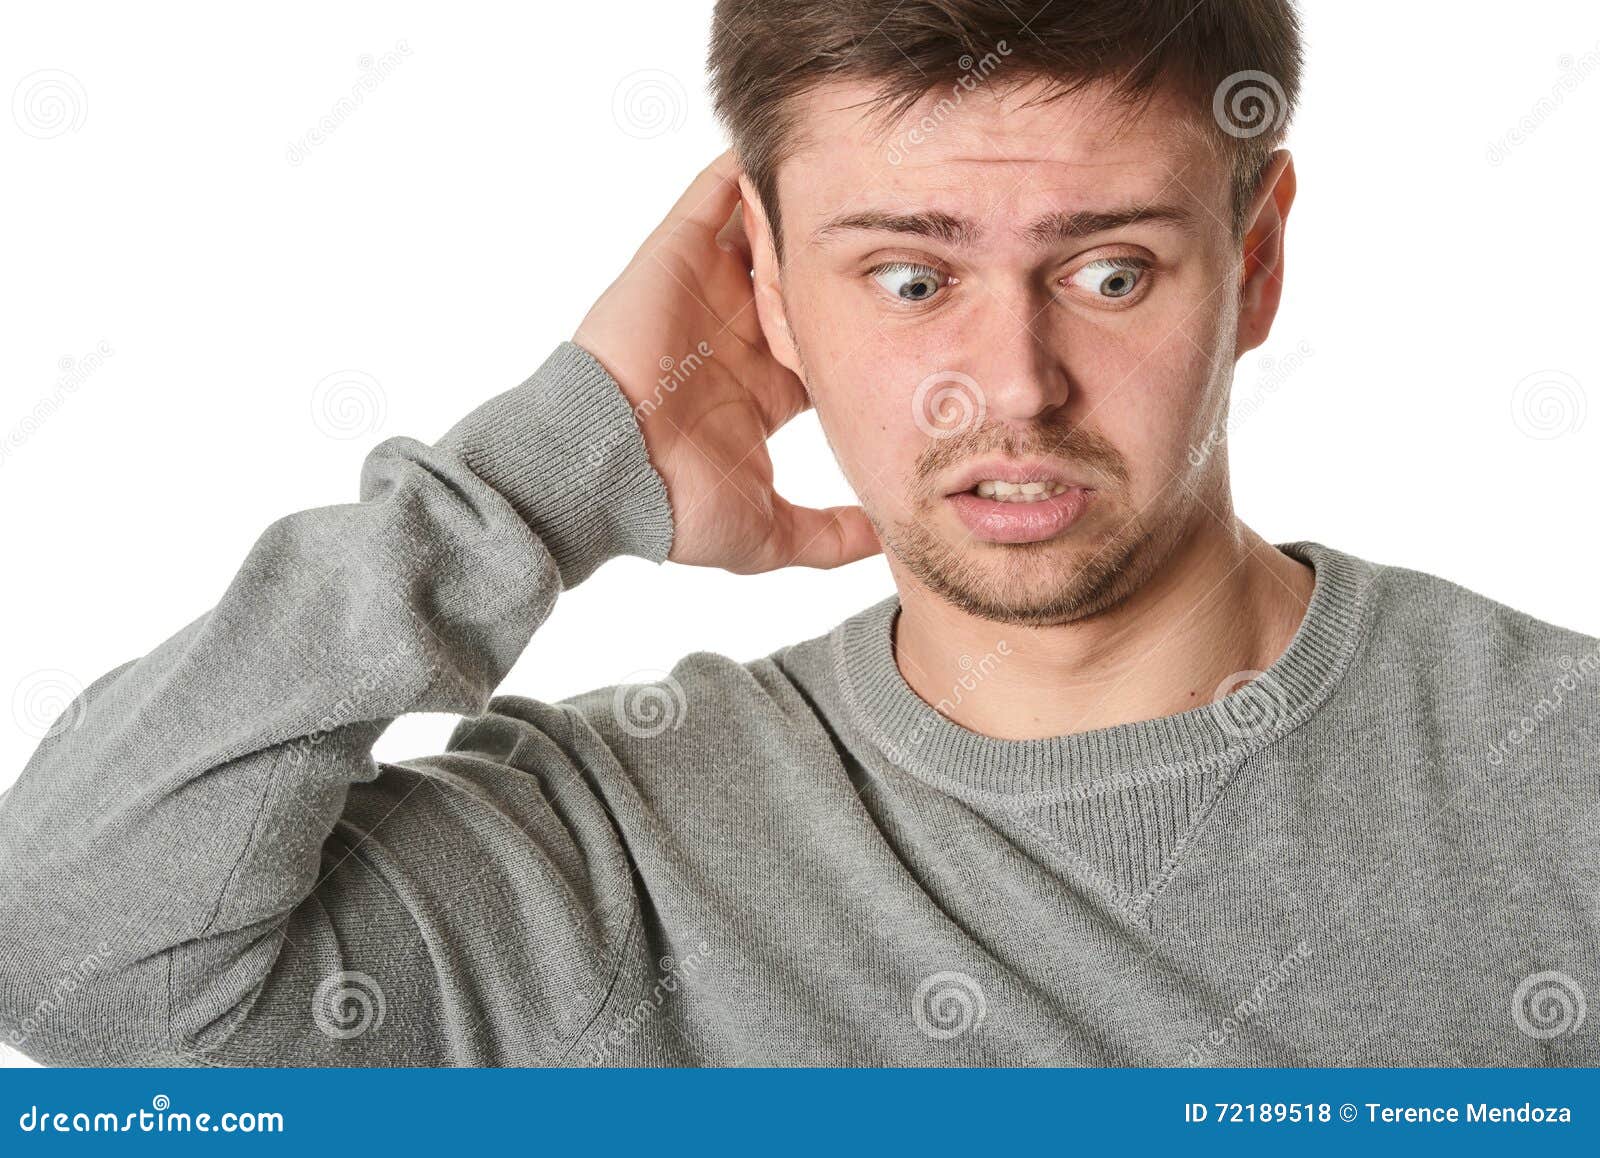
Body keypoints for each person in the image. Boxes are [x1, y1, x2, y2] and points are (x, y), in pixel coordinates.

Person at [2, 0, 1596, 1067]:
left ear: (1254, 262)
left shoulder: (1560, 771)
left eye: (1108, 271)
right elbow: (74, 959)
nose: (1011, 389)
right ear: (761, 275)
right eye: (910, 277)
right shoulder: (610, 860)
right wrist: (544, 479)